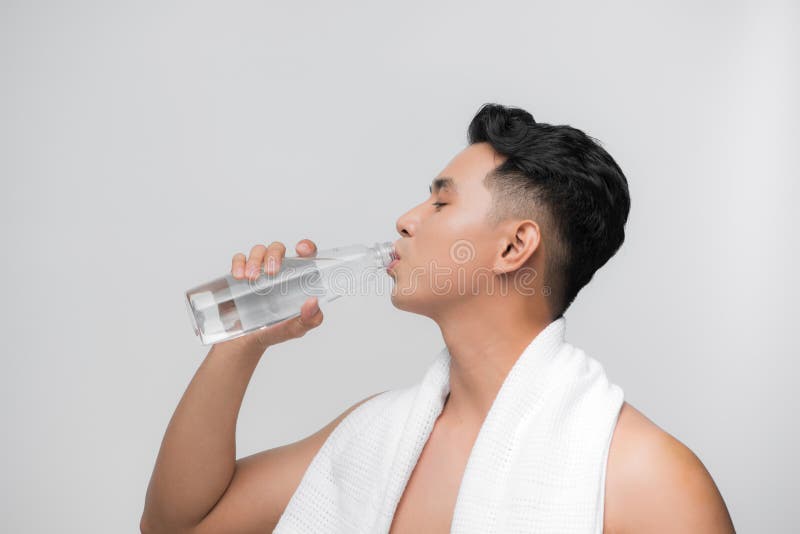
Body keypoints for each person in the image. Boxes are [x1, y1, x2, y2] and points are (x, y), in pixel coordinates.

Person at [140, 103, 736, 533]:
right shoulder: (373, 437)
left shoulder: (649, 480)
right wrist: (241, 342)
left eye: (441, 201)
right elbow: (180, 527)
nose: (405, 218)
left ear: (513, 248)